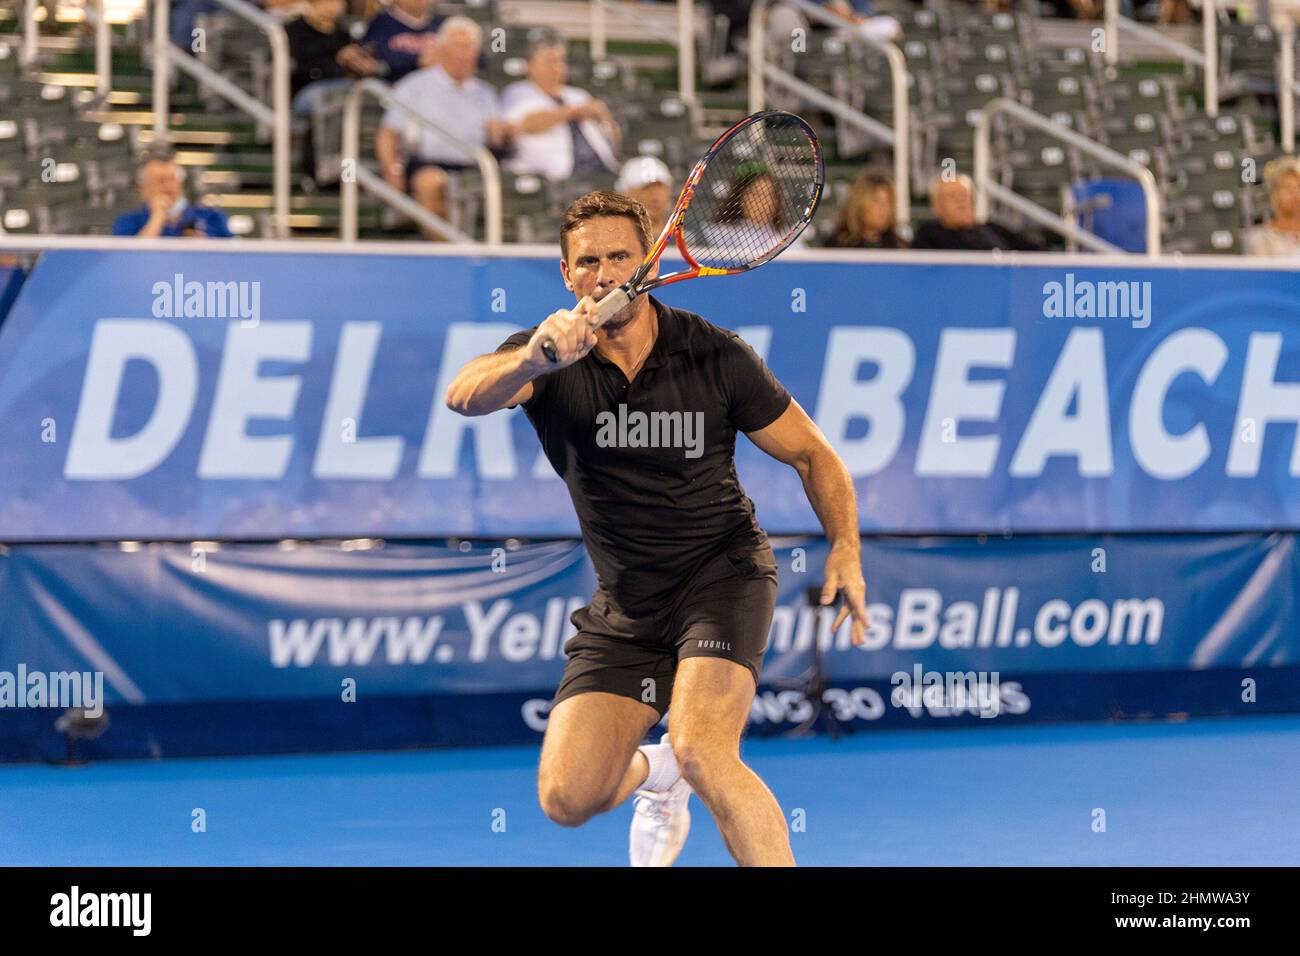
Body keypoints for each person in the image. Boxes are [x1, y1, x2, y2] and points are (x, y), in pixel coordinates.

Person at [444, 191, 870, 867]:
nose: (605, 274)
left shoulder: (715, 354)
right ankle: (659, 774)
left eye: (620, 257)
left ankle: (685, 764)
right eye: (588, 262)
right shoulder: (547, 358)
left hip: (722, 576)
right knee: (567, 797)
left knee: (705, 749)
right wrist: (534, 360)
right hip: (628, 602)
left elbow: (813, 454)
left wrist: (845, 547)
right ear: (567, 274)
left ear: (649, 263)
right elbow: (463, 394)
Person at [375, 16, 513, 234]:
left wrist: (502, 134)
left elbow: (496, 139)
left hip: (475, 166)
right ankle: (450, 249)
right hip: (428, 164)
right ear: (442, 48)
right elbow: (388, 132)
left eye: (470, 47)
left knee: (512, 186)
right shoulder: (415, 85)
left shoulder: (485, 92)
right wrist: (393, 171)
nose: (466, 54)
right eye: (460, 46)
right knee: (431, 182)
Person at [501, 29, 620, 181]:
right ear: (529, 66)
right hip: (552, 175)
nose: (557, 67)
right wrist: (572, 112)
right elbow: (525, 125)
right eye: (550, 61)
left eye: (561, 61)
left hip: (600, 169)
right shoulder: (517, 92)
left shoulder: (579, 95)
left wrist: (603, 116)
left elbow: (614, 139)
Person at [112, 151, 233, 238]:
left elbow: (233, 258)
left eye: (173, 179)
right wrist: (157, 217)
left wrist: (203, 247)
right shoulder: (128, 222)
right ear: (143, 189)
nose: (168, 186)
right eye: (160, 181)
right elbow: (130, 259)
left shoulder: (212, 217)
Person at [910, 173, 1037, 250]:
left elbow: (1035, 254)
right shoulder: (928, 235)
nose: (961, 202)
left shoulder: (993, 229)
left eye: (964, 196)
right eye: (952, 196)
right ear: (936, 205)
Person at [361, 0, 443, 82]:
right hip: (392, 85)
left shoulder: (442, 24)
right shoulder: (379, 25)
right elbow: (372, 64)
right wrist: (418, 62)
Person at [826, 167, 907, 248]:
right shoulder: (837, 245)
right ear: (859, 203)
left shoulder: (900, 247)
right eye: (877, 202)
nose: (884, 209)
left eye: (888, 202)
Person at [1245, 156, 1300, 257]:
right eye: (1288, 187)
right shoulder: (1261, 239)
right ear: (1274, 194)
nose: (1295, 193)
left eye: (1298, 187)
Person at [614, 156, 674, 235]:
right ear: (624, 194)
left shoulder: (685, 237)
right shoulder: (607, 238)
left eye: (660, 189)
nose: (655, 198)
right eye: (645, 189)